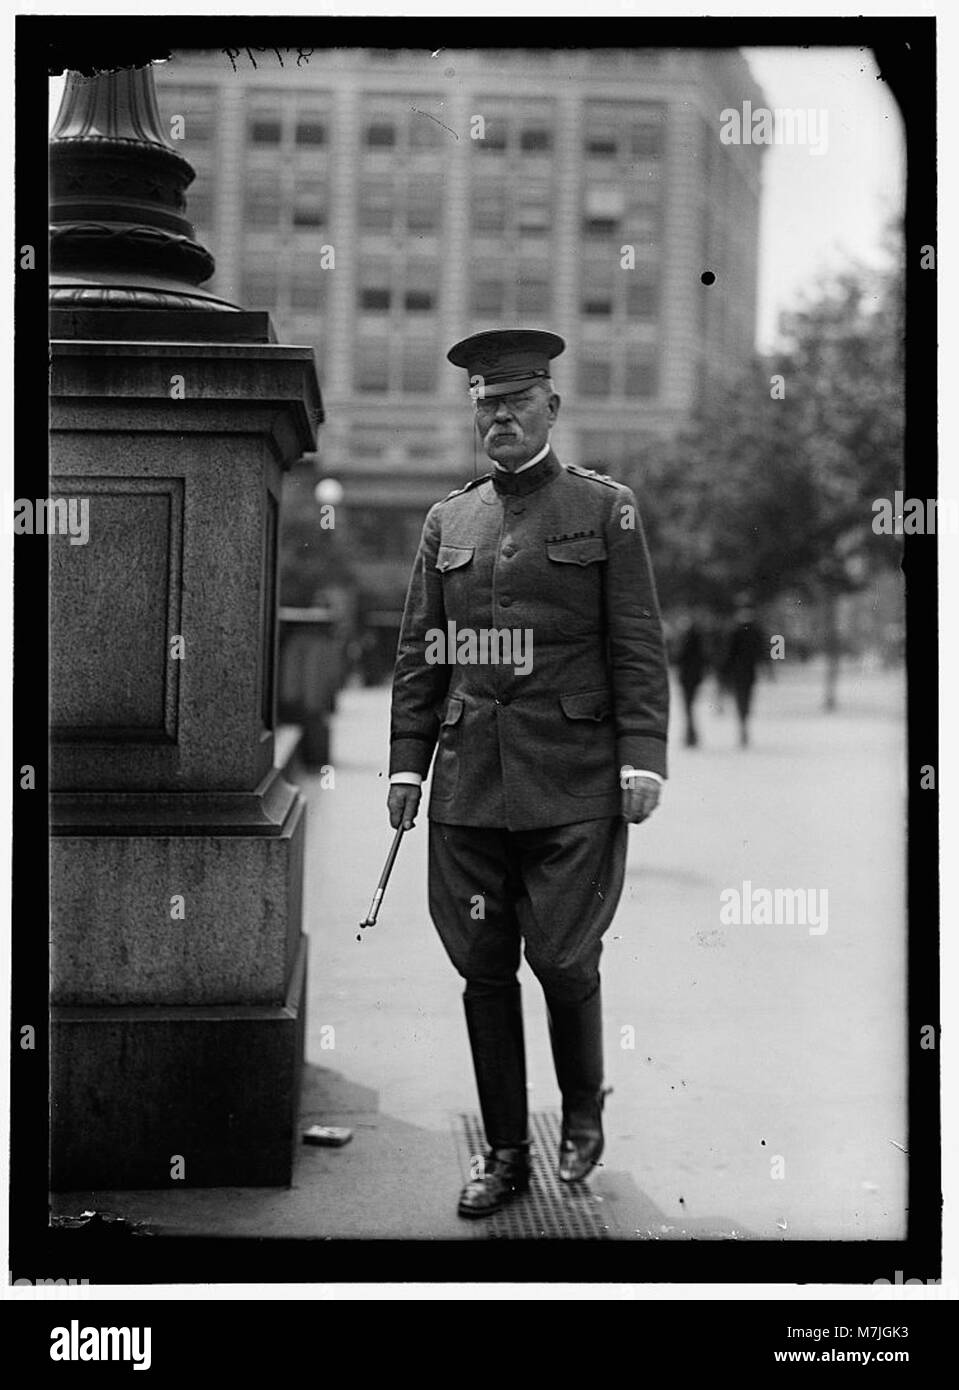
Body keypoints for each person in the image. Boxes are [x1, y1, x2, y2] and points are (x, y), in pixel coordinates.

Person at [387, 329, 669, 1218]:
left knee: (561, 955)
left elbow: (636, 643)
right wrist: (405, 767)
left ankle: (581, 1109)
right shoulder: (450, 521)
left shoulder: (605, 509)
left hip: (574, 780)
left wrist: (643, 757)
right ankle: (506, 1151)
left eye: (515, 402)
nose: (499, 419)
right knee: (482, 967)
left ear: (551, 406)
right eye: (486, 405)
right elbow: (421, 654)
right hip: (468, 783)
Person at [719, 603, 767, 747]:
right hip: (748, 672)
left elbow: (729, 653)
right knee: (746, 699)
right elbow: (761, 651)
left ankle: (742, 722)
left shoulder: (736, 632)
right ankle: (744, 721)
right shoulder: (755, 632)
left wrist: (724, 671)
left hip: (738, 672)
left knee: (741, 699)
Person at [675, 614, 709, 747]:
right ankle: (691, 734)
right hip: (694, 677)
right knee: (689, 707)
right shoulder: (698, 640)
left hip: (687, 677)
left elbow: (679, 658)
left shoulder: (687, 640)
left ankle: (690, 734)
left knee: (688, 707)